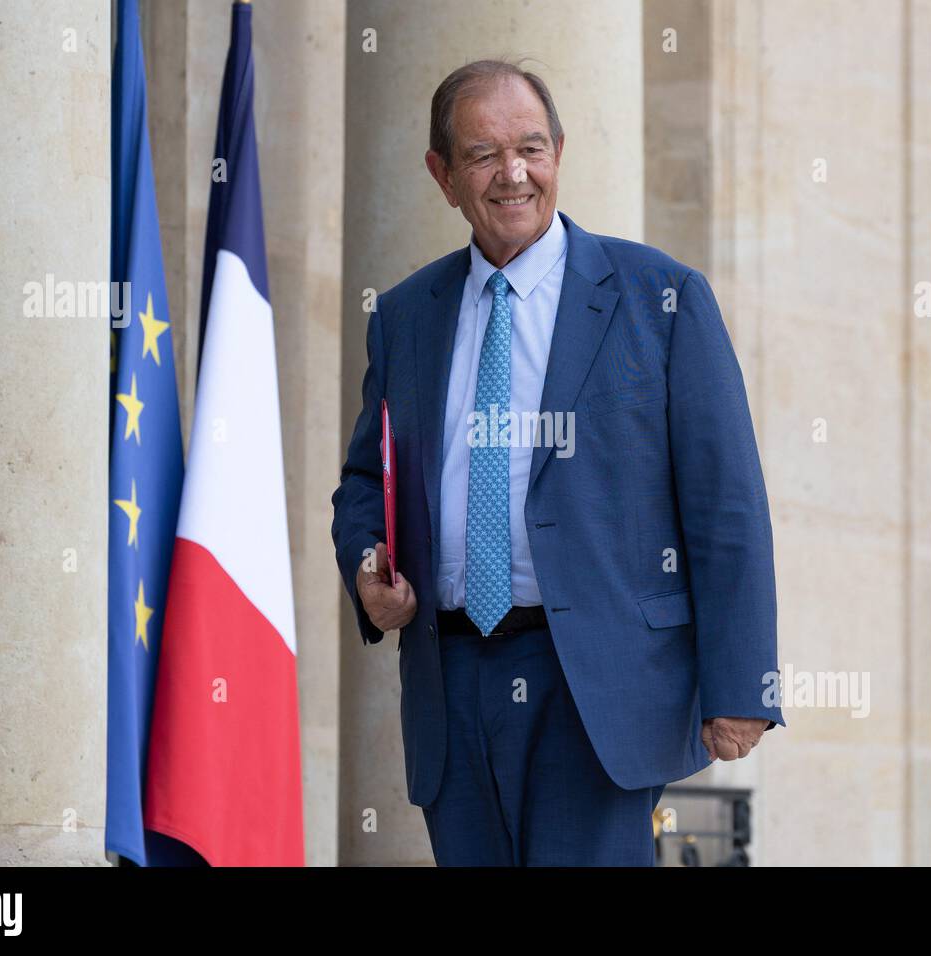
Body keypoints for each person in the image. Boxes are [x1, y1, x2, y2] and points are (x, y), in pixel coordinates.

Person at [331, 59, 783, 866]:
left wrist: (741, 685)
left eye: (531, 148)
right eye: (482, 155)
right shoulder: (404, 316)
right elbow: (369, 479)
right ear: (441, 176)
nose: (513, 174)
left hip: (596, 684)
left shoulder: (662, 296)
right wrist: (370, 564)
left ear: (560, 154)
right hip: (452, 673)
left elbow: (727, 503)